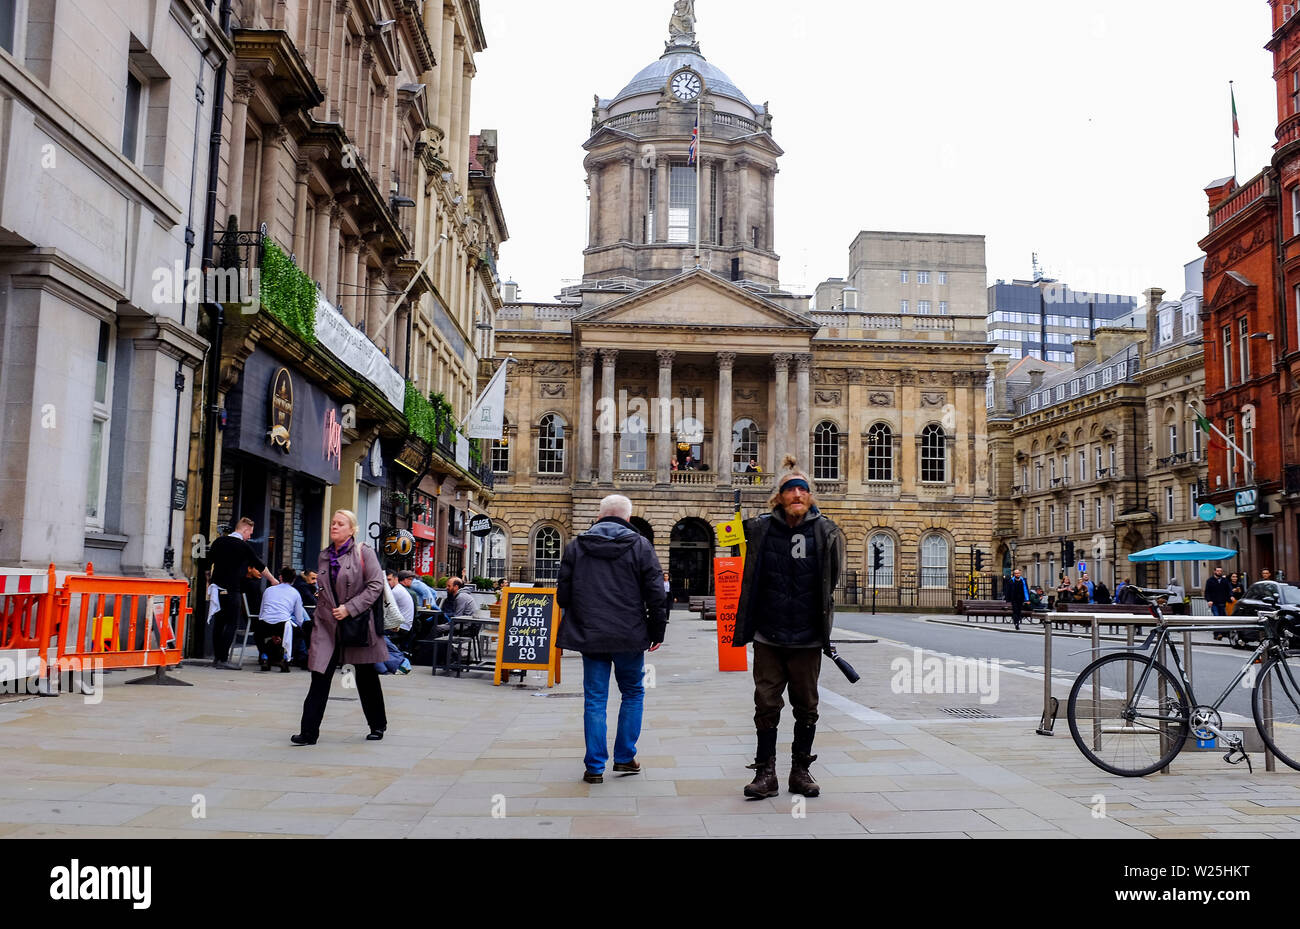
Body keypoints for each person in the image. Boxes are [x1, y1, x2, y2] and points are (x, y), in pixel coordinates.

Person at [733, 456, 845, 800]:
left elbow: (832, 578)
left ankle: (800, 771)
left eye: (802, 489)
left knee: (806, 705)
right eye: (789, 490)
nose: (796, 494)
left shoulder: (827, 531)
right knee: (766, 702)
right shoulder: (760, 528)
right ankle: (766, 772)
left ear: (810, 497)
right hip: (768, 633)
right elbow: (743, 562)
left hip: (808, 635)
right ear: (778, 497)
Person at [556, 494, 667, 784]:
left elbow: (563, 595)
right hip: (629, 634)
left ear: (599, 515)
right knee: (632, 693)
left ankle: (594, 767)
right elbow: (656, 594)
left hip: (590, 634)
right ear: (628, 519)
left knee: (595, 698)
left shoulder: (576, 547)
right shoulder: (641, 546)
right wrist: (657, 632)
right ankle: (624, 757)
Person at [292, 509, 389, 745]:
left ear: (352, 529)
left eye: (340, 524)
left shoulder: (363, 552)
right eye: (333, 523)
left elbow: (375, 586)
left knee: (365, 675)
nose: (334, 527)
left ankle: (377, 725)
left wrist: (350, 608)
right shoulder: (324, 556)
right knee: (319, 675)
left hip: (357, 623)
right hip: (327, 624)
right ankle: (308, 733)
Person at [206, 517, 279, 670]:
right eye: (250, 533)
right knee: (232, 623)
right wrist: (273, 580)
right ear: (245, 529)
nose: (250, 536)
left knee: (219, 623)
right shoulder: (243, 546)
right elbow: (260, 565)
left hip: (216, 589)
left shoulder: (219, 542)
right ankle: (223, 659)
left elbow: (207, 563)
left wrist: (209, 581)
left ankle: (217, 658)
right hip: (232, 589)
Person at [255, 567, 310, 672]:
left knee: (258, 635)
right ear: (293, 579)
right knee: (299, 634)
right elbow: (299, 618)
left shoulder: (268, 590)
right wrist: (298, 626)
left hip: (264, 624)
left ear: (280, 577)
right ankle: (285, 658)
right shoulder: (295, 593)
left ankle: (265, 656)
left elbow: (262, 612)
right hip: (283, 624)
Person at [375, 570, 413, 675]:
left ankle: (393, 662)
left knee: (378, 636)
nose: (387, 583)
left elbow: (386, 609)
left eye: (389, 580)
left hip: (401, 627)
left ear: (396, 579)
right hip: (405, 625)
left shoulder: (395, 592)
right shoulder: (400, 589)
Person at [290, 567, 318, 667]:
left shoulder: (303, 584)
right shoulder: (302, 586)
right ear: (305, 577)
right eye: (313, 578)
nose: (315, 581)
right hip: (299, 617)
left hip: (301, 616)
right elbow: (313, 601)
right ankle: (305, 656)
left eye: (316, 579)